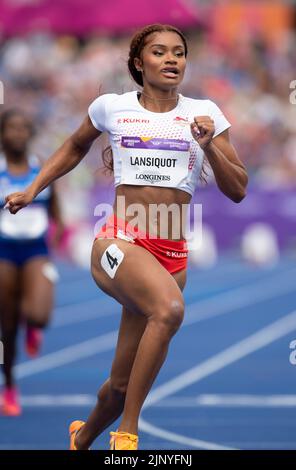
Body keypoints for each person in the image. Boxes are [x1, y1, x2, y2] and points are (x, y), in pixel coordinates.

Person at [5, 24, 248, 448]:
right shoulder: (112, 107)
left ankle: (81, 439)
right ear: (139, 63)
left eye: (179, 52)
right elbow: (74, 147)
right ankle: (128, 433)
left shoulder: (204, 113)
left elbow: (238, 188)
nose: (172, 59)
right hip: (120, 242)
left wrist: (209, 146)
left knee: (118, 386)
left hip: (172, 254)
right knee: (169, 311)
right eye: (160, 52)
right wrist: (33, 188)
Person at [0, 109, 63, 416]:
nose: (17, 134)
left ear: (30, 133)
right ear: (2, 134)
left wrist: (56, 236)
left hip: (37, 249)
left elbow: (56, 211)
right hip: (3, 251)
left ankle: (33, 324)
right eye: (11, 128)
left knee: (38, 314)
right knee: (6, 327)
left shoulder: (42, 168)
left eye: (23, 127)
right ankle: (10, 385)